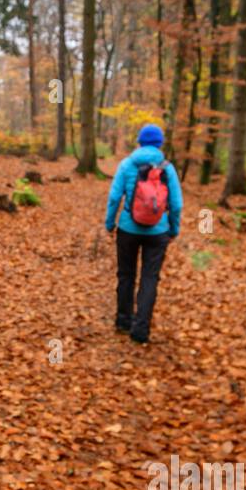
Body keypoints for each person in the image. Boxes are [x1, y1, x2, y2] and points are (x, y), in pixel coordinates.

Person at [104, 123, 183, 344]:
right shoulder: (168, 168)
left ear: (139, 141)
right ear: (160, 144)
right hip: (158, 232)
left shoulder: (127, 164)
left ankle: (123, 322)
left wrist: (110, 223)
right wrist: (173, 229)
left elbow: (114, 197)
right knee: (150, 278)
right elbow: (176, 204)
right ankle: (140, 331)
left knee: (126, 275)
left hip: (128, 228)